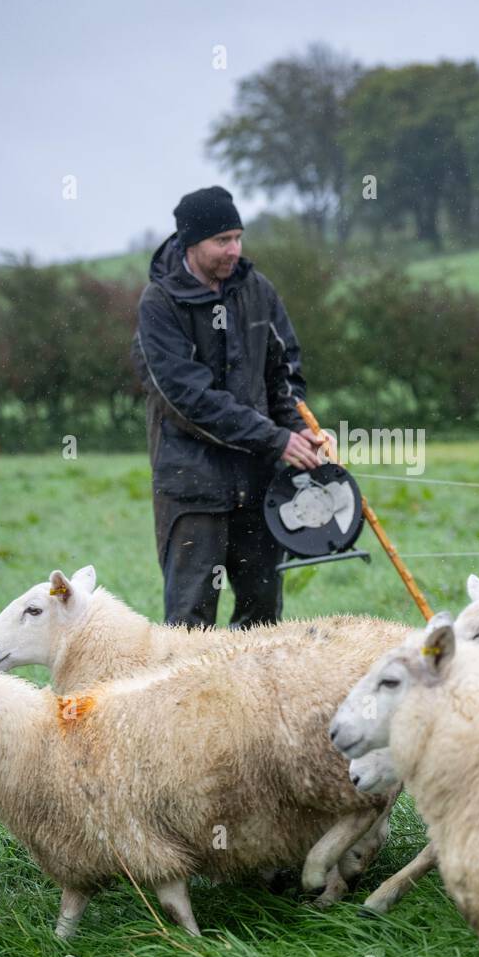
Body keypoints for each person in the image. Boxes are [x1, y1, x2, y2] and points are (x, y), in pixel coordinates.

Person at [132, 185, 328, 628]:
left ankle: (253, 700)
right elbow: (190, 399)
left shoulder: (256, 290)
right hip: (192, 488)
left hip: (260, 486)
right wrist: (275, 439)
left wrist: (301, 432)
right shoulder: (159, 305)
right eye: (222, 241)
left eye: (238, 237)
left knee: (262, 620)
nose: (234, 250)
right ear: (190, 243)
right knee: (190, 625)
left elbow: (284, 373)